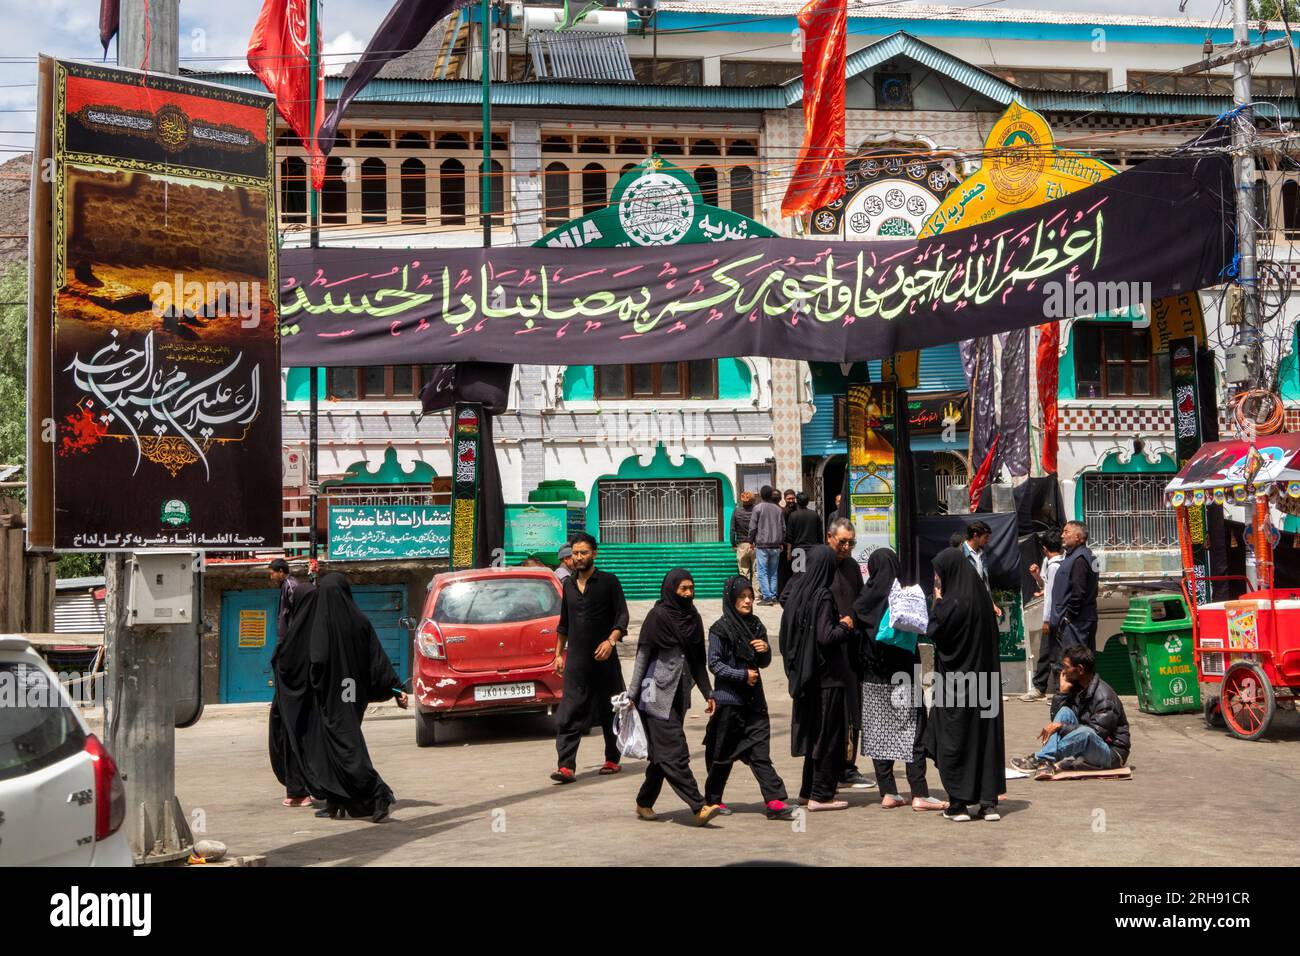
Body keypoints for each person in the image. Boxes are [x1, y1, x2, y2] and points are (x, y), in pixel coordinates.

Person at [277, 573, 409, 823]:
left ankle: (378, 793)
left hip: (332, 696)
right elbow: (377, 660)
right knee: (336, 745)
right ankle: (337, 799)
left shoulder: (322, 624)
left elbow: (317, 659)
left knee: (345, 747)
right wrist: (394, 688)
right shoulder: (359, 620)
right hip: (352, 693)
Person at [853, 548, 946, 811]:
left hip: (873, 676)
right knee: (913, 732)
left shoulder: (863, 601)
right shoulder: (901, 598)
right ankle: (919, 793)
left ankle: (888, 792)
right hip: (902, 674)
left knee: (881, 735)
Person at [627, 569, 720, 826]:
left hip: (679, 696)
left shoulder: (693, 617)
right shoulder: (657, 616)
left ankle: (644, 802)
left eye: (691, 588)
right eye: (683, 589)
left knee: (661, 755)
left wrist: (707, 692)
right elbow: (642, 657)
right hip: (654, 694)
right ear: (671, 589)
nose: (689, 593)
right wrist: (632, 694)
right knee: (675, 752)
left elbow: (698, 661)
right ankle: (697, 806)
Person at [924, 547, 1007, 822]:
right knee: (984, 739)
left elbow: (934, 631)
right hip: (985, 684)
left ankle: (958, 804)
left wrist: (937, 600)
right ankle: (987, 804)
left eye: (939, 575)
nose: (937, 580)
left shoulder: (951, 602)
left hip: (956, 686)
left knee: (954, 736)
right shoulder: (983, 600)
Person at [703, 576, 794, 820]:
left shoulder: (755, 625)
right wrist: (742, 675)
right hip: (729, 701)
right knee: (722, 754)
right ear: (731, 599)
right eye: (742, 597)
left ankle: (774, 800)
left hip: (754, 701)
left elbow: (762, 662)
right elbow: (715, 664)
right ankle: (713, 800)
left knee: (760, 752)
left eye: (750, 597)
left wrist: (765, 650)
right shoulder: (719, 630)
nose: (747, 601)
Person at [779, 544, 856, 811]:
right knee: (829, 737)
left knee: (815, 736)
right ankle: (822, 795)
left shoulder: (799, 592)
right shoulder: (822, 595)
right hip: (828, 678)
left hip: (807, 676)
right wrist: (844, 626)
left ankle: (806, 791)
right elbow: (826, 636)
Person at [552, 532, 629, 783]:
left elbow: (622, 618)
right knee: (569, 712)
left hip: (605, 661)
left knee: (610, 711)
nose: (579, 557)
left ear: (594, 554)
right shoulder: (568, 585)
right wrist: (558, 655)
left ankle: (611, 759)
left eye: (584, 552)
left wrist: (611, 641)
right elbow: (564, 624)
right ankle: (566, 766)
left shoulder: (608, 582)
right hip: (576, 662)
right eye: (575, 553)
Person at [1012, 644, 1130, 774]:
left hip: (1111, 754)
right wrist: (1062, 694)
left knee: (1086, 732)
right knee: (1065, 712)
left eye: (1067, 667)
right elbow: (1055, 721)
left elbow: (1095, 734)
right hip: (1088, 743)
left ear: (1080, 669)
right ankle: (1046, 760)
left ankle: (1042, 759)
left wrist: (1061, 727)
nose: (1063, 671)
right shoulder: (1078, 687)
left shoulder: (1105, 697)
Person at [826, 518, 873, 791]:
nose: (846, 547)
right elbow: (791, 597)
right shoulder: (816, 563)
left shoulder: (852, 566)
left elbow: (861, 599)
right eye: (842, 541)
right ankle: (830, 767)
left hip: (851, 649)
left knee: (853, 709)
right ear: (829, 537)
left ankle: (848, 766)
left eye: (850, 542)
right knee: (832, 710)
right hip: (828, 648)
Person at [268, 572, 315, 808]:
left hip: (291, 707)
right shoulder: (319, 631)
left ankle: (299, 792)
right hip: (314, 708)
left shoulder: (289, 639)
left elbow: (282, 669)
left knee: (291, 740)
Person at [1021, 529, 1065, 702]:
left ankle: (1059, 692)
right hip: (1051, 614)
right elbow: (1045, 587)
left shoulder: (1060, 562)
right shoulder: (1049, 561)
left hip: (1055, 614)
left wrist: (1046, 619)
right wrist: (1036, 576)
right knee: (1046, 652)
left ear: (1045, 548)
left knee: (1058, 655)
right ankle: (1040, 687)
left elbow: (1051, 595)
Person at [1050, 520, 1099, 653]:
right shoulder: (1086, 555)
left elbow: (1079, 592)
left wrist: (1068, 617)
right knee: (1082, 663)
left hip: (1077, 622)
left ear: (1078, 537)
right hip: (1082, 619)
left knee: (1075, 664)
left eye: (1066, 532)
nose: (1062, 536)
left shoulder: (1080, 559)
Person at [748, 486, 786, 605]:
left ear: (761, 494)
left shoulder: (757, 508)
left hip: (762, 545)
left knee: (762, 571)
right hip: (776, 545)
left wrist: (751, 540)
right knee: (773, 572)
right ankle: (773, 596)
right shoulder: (778, 509)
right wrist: (781, 542)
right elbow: (783, 528)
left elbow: (753, 526)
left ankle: (767, 597)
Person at [963, 520, 1003, 619]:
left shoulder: (982, 554)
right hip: (965, 607)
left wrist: (991, 604)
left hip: (980, 605)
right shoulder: (959, 553)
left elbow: (985, 583)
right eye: (985, 537)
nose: (987, 540)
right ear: (975, 536)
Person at [785, 492, 823, 557]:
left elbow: (789, 536)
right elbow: (820, 534)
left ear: (797, 501)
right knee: (811, 567)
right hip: (813, 549)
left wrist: (789, 552)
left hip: (798, 550)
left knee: (799, 567)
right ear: (807, 502)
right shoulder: (814, 515)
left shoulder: (793, 515)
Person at [730, 491, 757, 585]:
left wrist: (733, 544)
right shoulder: (756, 510)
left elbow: (732, 529)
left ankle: (745, 592)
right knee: (756, 571)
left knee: (743, 572)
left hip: (741, 545)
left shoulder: (736, 511)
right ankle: (757, 595)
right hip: (755, 544)